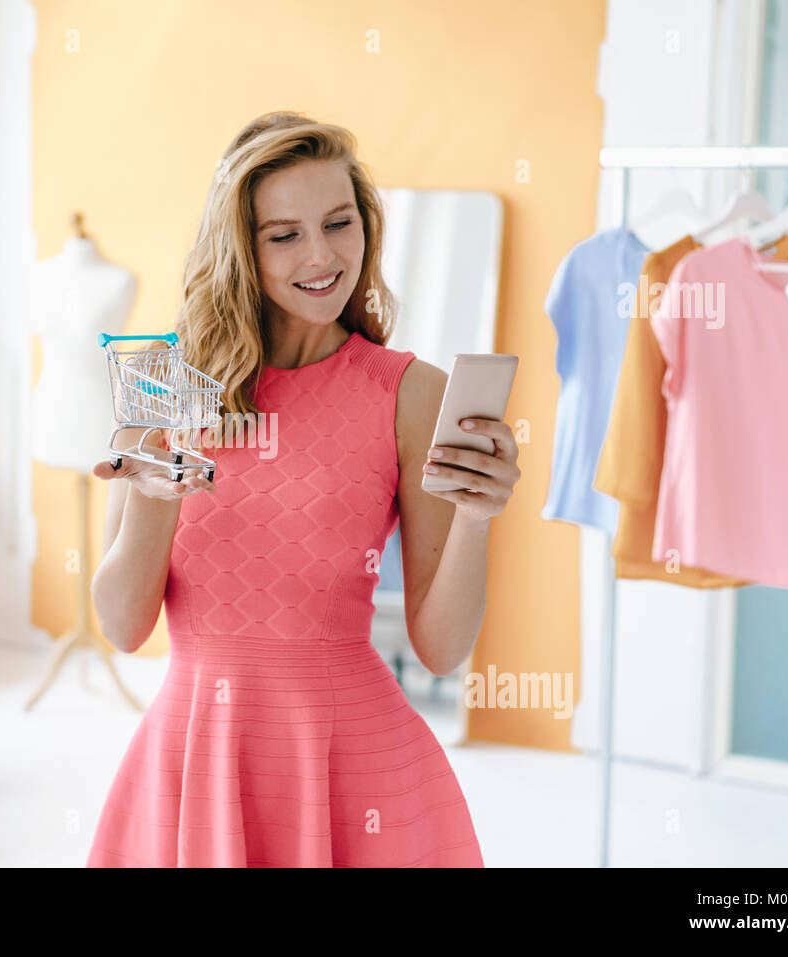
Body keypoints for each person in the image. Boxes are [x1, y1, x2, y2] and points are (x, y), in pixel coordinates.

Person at [87, 111, 521, 867]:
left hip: (352, 761)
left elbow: (441, 648)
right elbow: (125, 627)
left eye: (339, 223)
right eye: (283, 234)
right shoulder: (162, 378)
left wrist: (479, 520)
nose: (321, 256)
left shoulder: (412, 394)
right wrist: (157, 499)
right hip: (197, 751)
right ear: (239, 247)